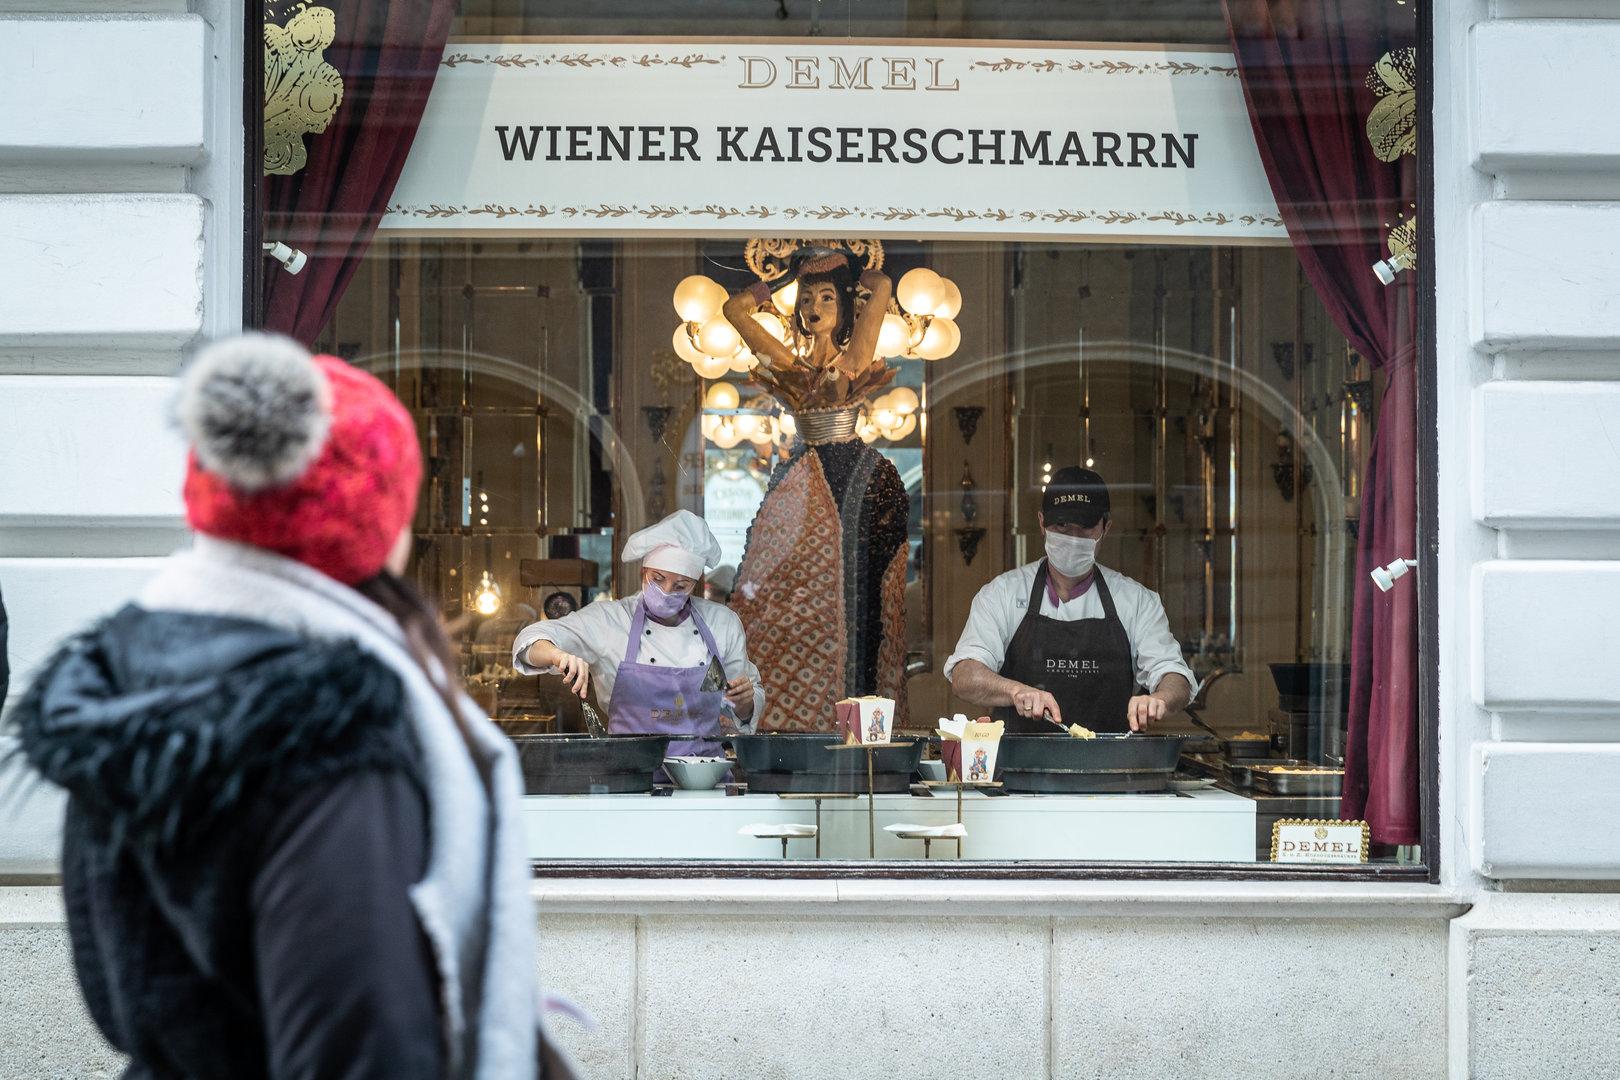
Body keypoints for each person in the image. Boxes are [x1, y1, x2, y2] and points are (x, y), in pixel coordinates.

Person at [11, 334, 568, 1079]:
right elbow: (364, 1047)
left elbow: (119, 997)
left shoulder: (123, 678)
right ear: (377, 523)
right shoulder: (329, 733)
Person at [945, 466, 1197, 733]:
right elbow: (965, 676)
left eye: (1086, 526)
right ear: (1042, 523)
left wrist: (1160, 699)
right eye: (1062, 525)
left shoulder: (1136, 601)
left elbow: (1174, 676)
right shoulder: (1002, 594)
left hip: (1112, 767)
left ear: (1105, 528)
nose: (1073, 538)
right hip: (1021, 767)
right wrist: (1016, 691)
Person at [512, 509, 763, 756]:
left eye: (680, 585)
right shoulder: (610, 620)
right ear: (643, 573)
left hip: (703, 779)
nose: (666, 590)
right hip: (629, 776)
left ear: (694, 586)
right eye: (658, 578)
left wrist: (743, 702)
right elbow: (529, 642)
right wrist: (556, 655)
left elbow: (738, 707)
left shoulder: (721, 624)